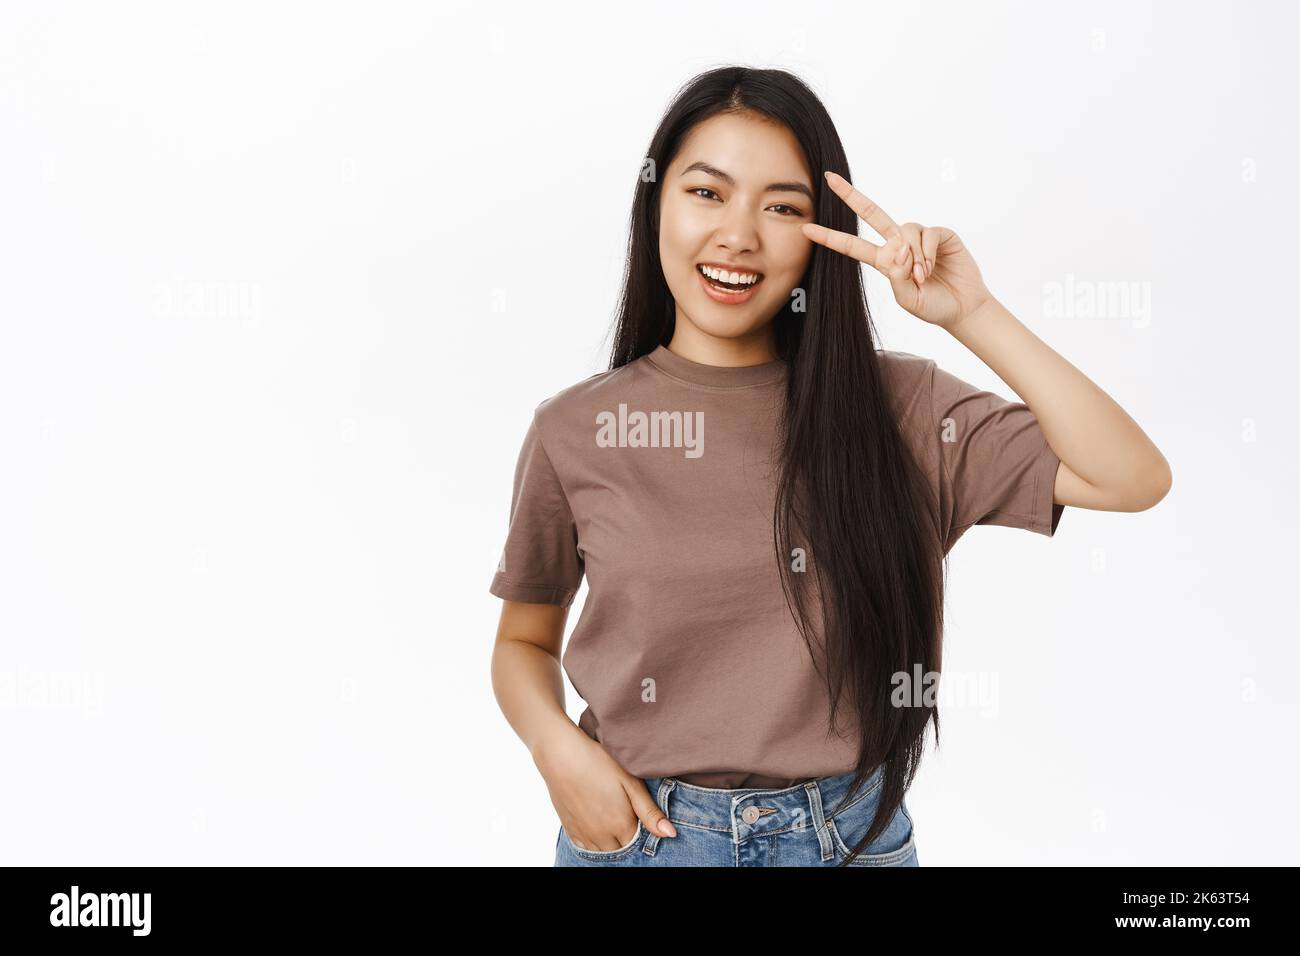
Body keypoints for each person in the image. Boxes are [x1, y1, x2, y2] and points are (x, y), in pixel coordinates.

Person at [487, 66, 1172, 867]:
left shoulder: (901, 407)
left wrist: (973, 314)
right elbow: (523, 641)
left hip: (850, 841)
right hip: (642, 837)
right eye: (708, 193)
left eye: (782, 207)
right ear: (656, 205)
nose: (739, 235)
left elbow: (1131, 476)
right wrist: (554, 750)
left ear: (822, 238)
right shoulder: (577, 428)